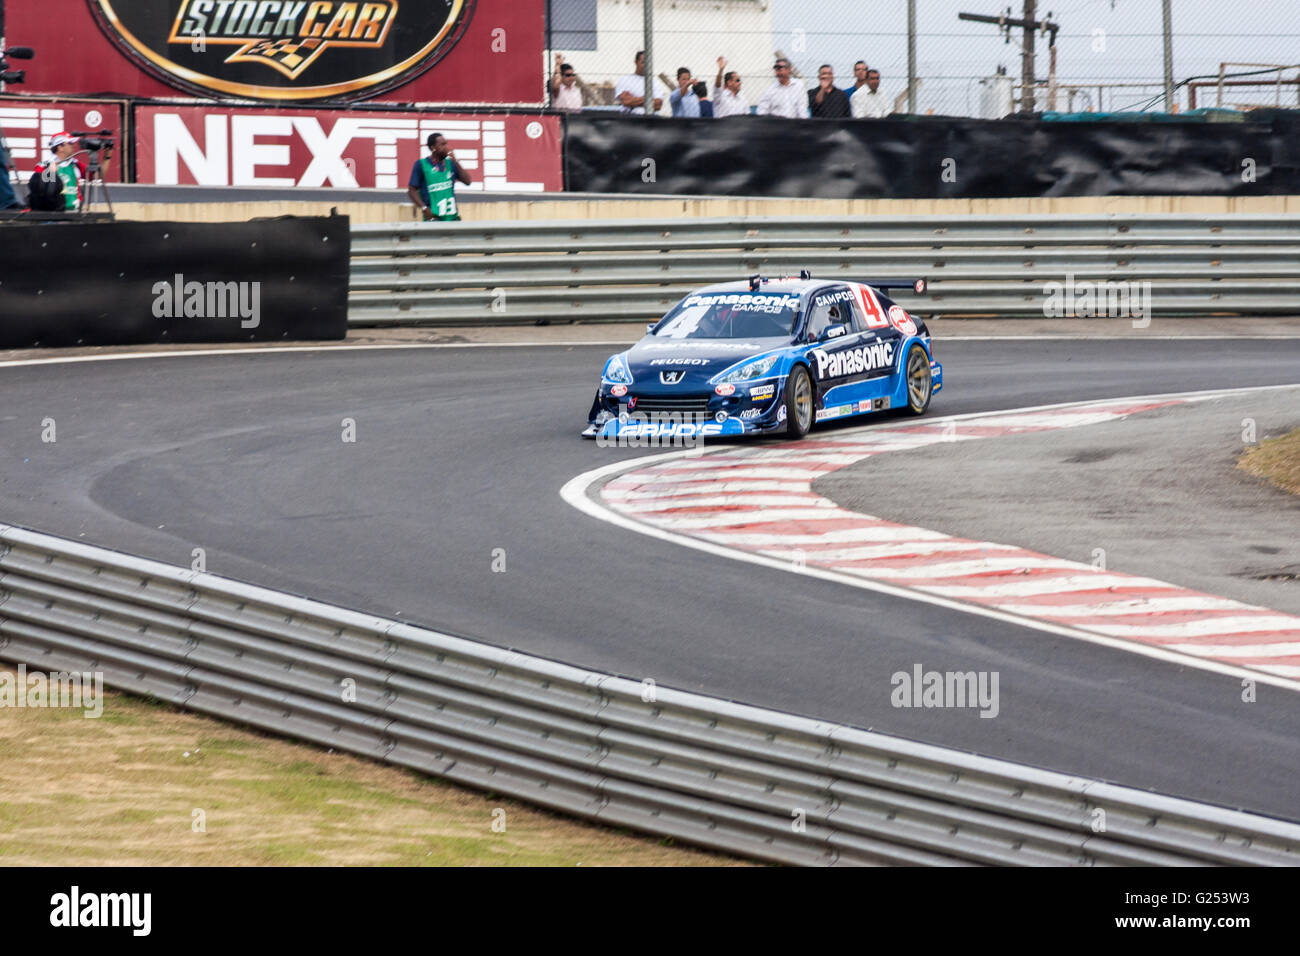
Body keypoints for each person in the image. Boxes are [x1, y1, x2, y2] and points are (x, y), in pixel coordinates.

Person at [407, 133, 471, 222]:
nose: (446, 147)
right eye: (442, 145)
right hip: (434, 219)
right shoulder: (421, 165)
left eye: (446, 144)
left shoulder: (451, 164)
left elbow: (468, 181)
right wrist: (424, 208)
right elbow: (412, 190)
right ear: (433, 148)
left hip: (453, 218)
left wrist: (455, 160)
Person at [29, 132, 85, 212]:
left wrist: (107, 157)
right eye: (70, 143)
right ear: (60, 147)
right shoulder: (42, 165)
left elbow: (98, 175)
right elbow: (39, 190)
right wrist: (50, 173)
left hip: (75, 213)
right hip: (52, 214)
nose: (73, 145)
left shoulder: (76, 164)